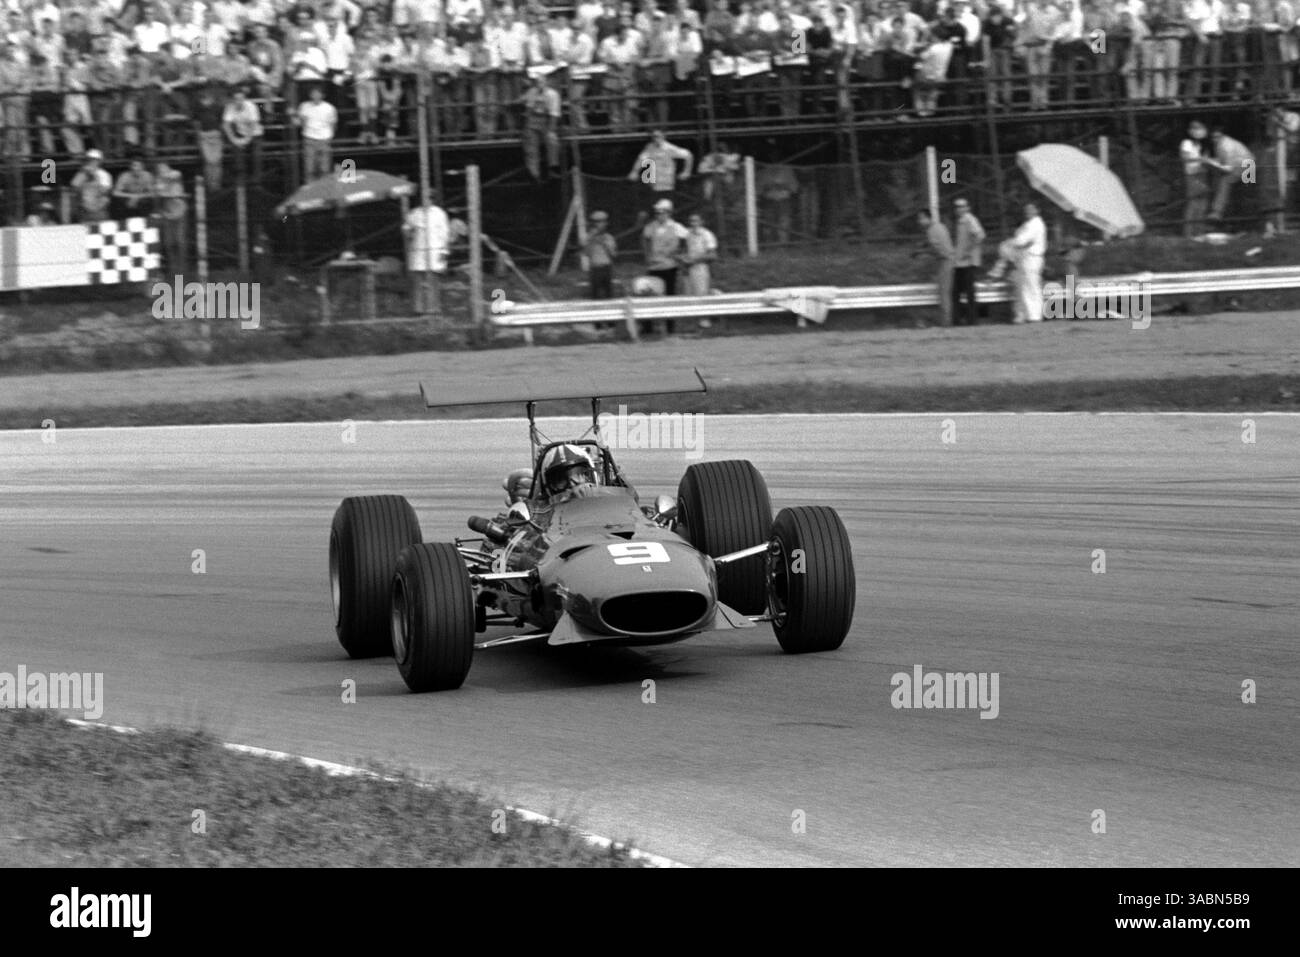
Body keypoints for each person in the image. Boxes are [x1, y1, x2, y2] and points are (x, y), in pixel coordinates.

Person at [641, 198, 689, 334]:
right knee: (650, 297)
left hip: (669, 267)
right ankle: (648, 328)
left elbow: (687, 238)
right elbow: (644, 238)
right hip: (654, 267)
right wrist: (647, 256)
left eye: (661, 212)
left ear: (668, 213)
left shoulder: (676, 227)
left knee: (670, 296)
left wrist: (680, 253)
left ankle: (670, 328)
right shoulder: (652, 226)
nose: (658, 215)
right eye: (657, 212)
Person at [404, 197, 450, 314]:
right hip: (418, 250)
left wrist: (444, 251)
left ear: (432, 199)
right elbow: (406, 228)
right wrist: (409, 232)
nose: (426, 200)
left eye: (429, 198)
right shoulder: (415, 213)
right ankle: (417, 309)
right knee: (417, 281)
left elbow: (445, 233)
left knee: (434, 280)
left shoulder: (439, 213)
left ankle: (434, 308)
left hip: (435, 250)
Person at [1203, 127, 1256, 228]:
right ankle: (1220, 210)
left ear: (1222, 136)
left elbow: (1228, 168)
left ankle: (1217, 212)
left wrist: (1212, 164)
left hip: (1247, 166)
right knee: (1224, 181)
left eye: (1217, 136)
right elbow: (1223, 163)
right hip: (1245, 165)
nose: (1215, 139)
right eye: (1213, 137)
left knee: (1225, 181)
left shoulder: (1226, 146)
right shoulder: (1220, 145)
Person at [916, 208, 955, 327]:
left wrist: (921, 252)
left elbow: (936, 249)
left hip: (945, 261)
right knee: (945, 292)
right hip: (950, 260)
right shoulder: (940, 226)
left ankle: (946, 322)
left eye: (921, 218)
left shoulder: (931, 231)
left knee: (943, 292)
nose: (920, 221)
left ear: (928, 218)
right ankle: (946, 319)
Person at [1009, 201, 1047, 323]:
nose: (1028, 212)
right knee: (1027, 287)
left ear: (1037, 210)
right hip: (1027, 258)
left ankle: (1035, 316)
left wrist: (1012, 242)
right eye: (1027, 209)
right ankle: (1030, 314)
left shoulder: (1036, 224)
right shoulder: (1029, 224)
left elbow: (1022, 240)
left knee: (1032, 286)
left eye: (1031, 209)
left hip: (1032, 257)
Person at [521, 72, 561, 181]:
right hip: (533, 121)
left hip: (546, 121)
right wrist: (527, 126)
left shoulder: (553, 94)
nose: (539, 84)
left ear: (546, 82)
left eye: (542, 81)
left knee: (552, 141)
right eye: (537, 82)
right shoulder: (531, 92)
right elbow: (528, 110)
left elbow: (554, 113)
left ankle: (553, 168)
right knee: (531, 146)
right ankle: (533, 173)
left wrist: (551, 131)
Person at [952, 198, 985, 326]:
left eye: (962, 206)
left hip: (968, 263)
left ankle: (971, 320)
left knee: (968, 293)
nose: (959, 209)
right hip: (960, 262)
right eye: (957, 207)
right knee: (957, 292)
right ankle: (960, 319)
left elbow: (980, 235)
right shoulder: (961, 221)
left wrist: (969, 250)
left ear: (967, 207)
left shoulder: (970, 220)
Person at [628, 130, 693, 193]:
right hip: (654, 185)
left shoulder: (669, 148)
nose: (656, 139)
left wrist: (687, 172)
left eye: (658, 136)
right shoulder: (650, 147)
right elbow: (641, 159)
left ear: (663, 137)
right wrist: (634, 171)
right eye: (654, 137)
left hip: (667, 184)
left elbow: (688, 155)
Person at [295, 84, 337, 180]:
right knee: (309, 168)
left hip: (325, 139)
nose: (315, 96)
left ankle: (324, 190)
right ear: (310, 95)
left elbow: (333, 124)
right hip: (309, 139)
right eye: (313, 94)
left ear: (322, 95)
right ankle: (310, 191)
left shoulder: (329, 108)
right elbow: (300, 122)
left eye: (318, 94)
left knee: (325, 168)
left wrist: (329, 137)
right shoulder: (304, 106)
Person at [154, 161, 188, 274]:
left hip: (180, 213)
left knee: (180, 241)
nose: (162, 170)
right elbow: (160, 193)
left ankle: (182, 269)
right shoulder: (159, 181)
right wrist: (169, 193)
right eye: (159, 169)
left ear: (168, 167)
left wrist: (166, 187)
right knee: (168, 243)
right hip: (167, 214)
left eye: (163, 167)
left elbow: (175, 175)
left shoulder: (175, 174)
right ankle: (173, 269)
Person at [1180, 120, 1210, 238]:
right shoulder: (1186, 143)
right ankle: (1189, 233)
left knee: (1202, 203)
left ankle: (1199, 232)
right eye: (1196, 128)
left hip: (1201, 174)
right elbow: (1185, 158)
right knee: (1194, 202)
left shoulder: (1199, 145)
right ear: (1190, 131)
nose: (1199, 131)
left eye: (1200, 128)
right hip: (1192, 175)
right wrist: (1201, 161)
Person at [581, 210, 617, 299]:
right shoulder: (589, 238)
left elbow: (613, 254)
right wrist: (590, 238)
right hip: (595, 269)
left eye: (603, 222)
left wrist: (604, 243)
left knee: (609, 294)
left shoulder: (609, 237)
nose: (600, 225)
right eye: (597, 222)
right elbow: (585, 252)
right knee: (595, 294)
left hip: (606, 268)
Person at [681, 213, 718, 296]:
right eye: (691, 221)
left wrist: (695, 259)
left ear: (701, 222)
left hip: (701, 270)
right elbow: (685, 251)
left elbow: (713, 255)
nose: (693, 223)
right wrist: (684, 261)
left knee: (701, 298)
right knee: (688, 298)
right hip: (688, 271)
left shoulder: (707, 235)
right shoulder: (688, 234)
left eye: (695, 221)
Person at [71, 149, 113, 222]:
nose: (91, 162)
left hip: (99, 210)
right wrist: (84, 173)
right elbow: (74, 186)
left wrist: (94, 176)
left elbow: (105, 192)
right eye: (89, 160)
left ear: (99, 161)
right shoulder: (82, 173)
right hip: (84, 209)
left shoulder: (104, 174)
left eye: (94, 160)